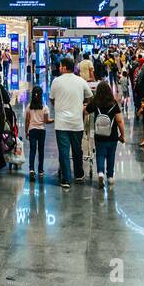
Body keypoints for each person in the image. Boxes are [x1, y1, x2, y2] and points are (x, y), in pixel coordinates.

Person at [50, 55, 92, 189]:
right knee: (77, 150)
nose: (59, 68)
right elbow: (90, 96)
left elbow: (52, 99)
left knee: (63, 152)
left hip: (61, 123)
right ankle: (79, 175)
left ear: (64, 67)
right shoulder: (80, 81)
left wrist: (59, 105)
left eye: (60, 66)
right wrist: (84, 106)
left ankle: (66, 179)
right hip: (76, 122)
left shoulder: (56, 81)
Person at [88, 79, 125, 187]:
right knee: (111, 155)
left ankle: (100, 173)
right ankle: (110, 176)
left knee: (100, 154)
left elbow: (85, 111)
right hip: (112, 136)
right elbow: (119, 121)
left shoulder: (95, 103)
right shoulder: (114, 104)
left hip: (99, 135)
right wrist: (122, 135)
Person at [25, 85, 52, 180]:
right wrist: (54, 120)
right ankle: (40, 170)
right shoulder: (45, 107)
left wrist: (26, 132)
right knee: (41, 150)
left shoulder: (29, 107)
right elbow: (46, 121)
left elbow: (27, 121)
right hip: (41, 131)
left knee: (32, 150)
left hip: (32, 130)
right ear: (41, 95)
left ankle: (31, 169)